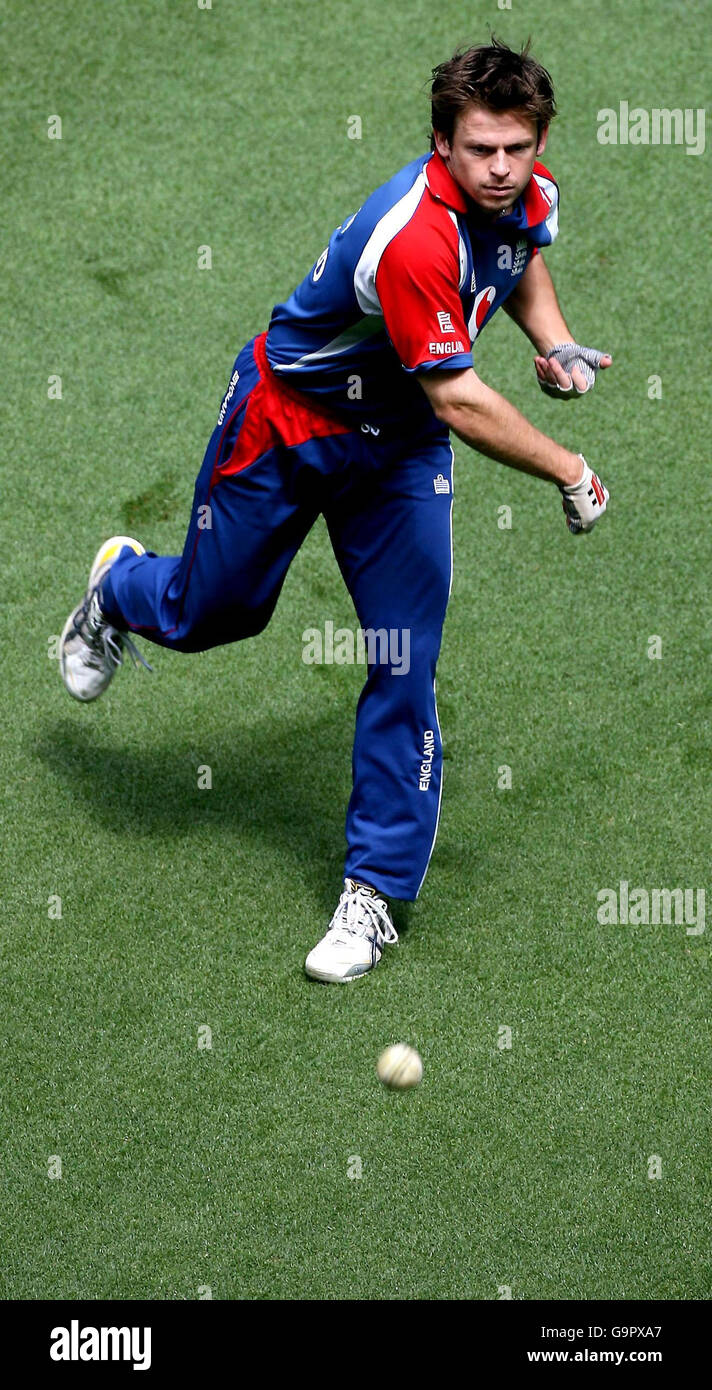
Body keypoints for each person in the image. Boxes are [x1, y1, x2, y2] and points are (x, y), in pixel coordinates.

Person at [59, 38, 611, 983]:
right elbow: (460, 401)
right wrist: (569, 469)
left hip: (397, 453)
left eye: (517, 148)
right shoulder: (416, 239)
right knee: (216, 611)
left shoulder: (527, 194)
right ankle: (119, 590)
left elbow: (519, 259)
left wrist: (554, 342)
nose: (500, 169)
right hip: (290, 419)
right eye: (478, 150)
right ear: (441, 142)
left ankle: (373, 894)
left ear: (540, 139)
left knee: (404, 659)